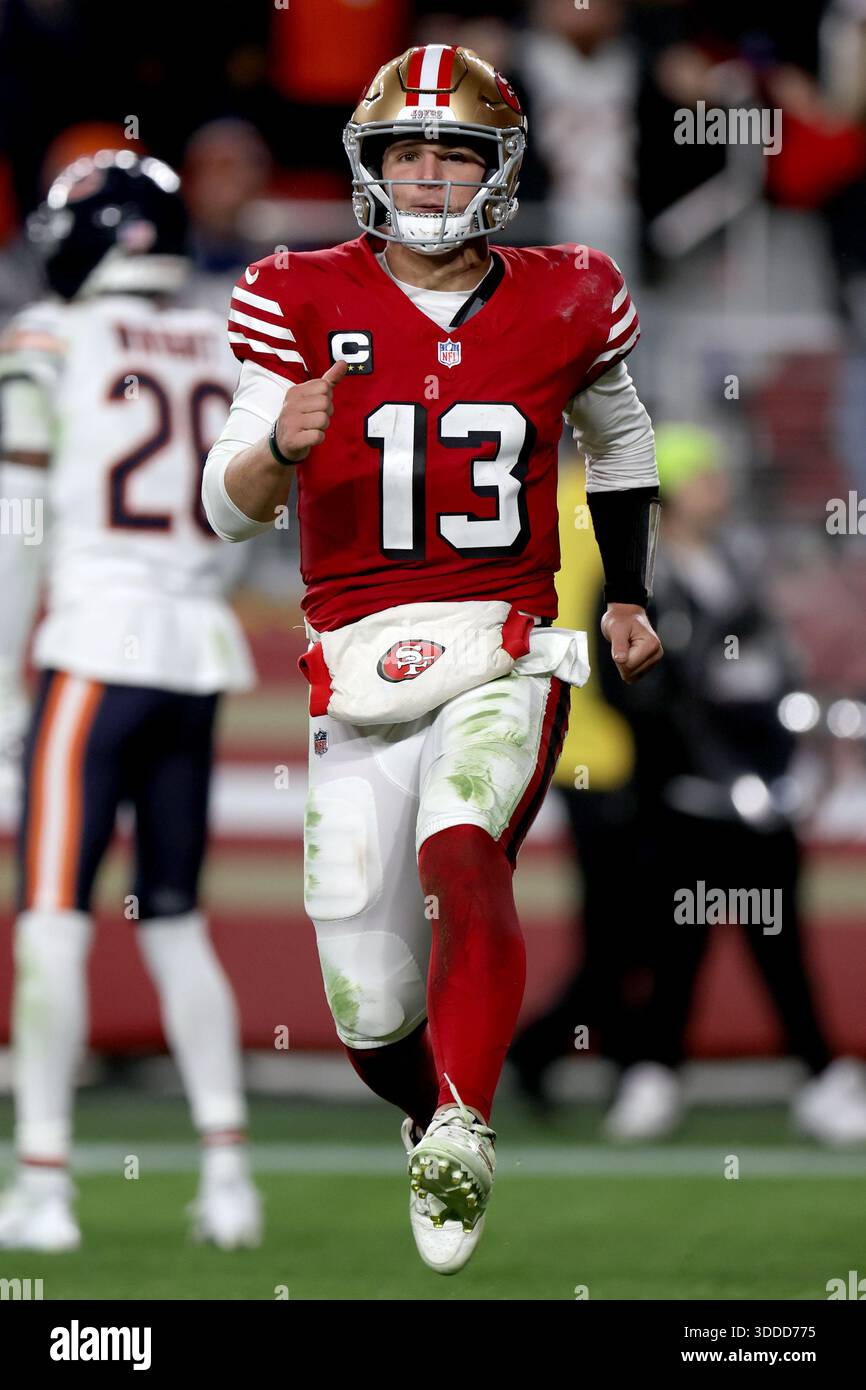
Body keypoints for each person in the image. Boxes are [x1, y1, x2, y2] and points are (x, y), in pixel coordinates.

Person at [202, 43, 662, 1274]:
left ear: (497, 168)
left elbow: (621, 441)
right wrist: (274, 452)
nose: (423, 173)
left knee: (461, 842)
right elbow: (222, 508)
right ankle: (426, 1110)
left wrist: (627, 590)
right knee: (366, 1012)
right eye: (403, 151)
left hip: (500, 642)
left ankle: (465, 1121)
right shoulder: (294, 292)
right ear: (368, 164)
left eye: (450, 152)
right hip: (355, 662)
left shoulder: (568, 292)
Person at [0, 151, 262, 1251]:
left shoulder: (49, 340)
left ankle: (44, 1185)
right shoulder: (224, 339)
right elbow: (244, 518)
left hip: (94, 648)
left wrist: (2, 694)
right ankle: (229, 1178)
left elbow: (15, 532)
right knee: (176, 918)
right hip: (195, 651)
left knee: (52, 920)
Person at [598, 425, 866, 1143]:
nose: (719, 489)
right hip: (683, 801)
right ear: (671, 491)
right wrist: (689, 733)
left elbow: (776, 672)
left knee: (782, 951)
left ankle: (821, 1080)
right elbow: (623, 689)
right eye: (704, 477)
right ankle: (653, 1077)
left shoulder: (743, 570)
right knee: (673, 951)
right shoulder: (636, 584)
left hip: (759, 801)